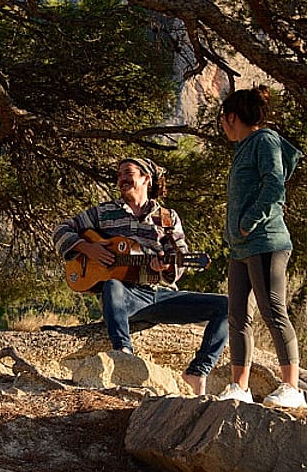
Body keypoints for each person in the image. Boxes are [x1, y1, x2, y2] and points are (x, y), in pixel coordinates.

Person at [52, 158, 228, 396]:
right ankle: (123, 353)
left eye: (128, 173)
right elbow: (61, 229)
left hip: (162, 296)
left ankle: (197, 372)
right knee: (112, 284)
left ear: (146, 178)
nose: (122, 179)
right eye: (119, 175)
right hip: (124, 297)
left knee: (227, 306)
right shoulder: (103, 213)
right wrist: (88, 248)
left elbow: (179, 260)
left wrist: (166, 266)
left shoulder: (167, 218)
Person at [215, 87, 305, 408]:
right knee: (237, 316)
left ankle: (292, 389)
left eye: (222, 120)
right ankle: (239, 387)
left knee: (272, 311)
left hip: (266, 241)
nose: (222, 127)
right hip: (241, 248)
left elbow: (274, 185)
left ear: (231, 117)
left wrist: (249, 221)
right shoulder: (243, 147)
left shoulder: (265, 140)